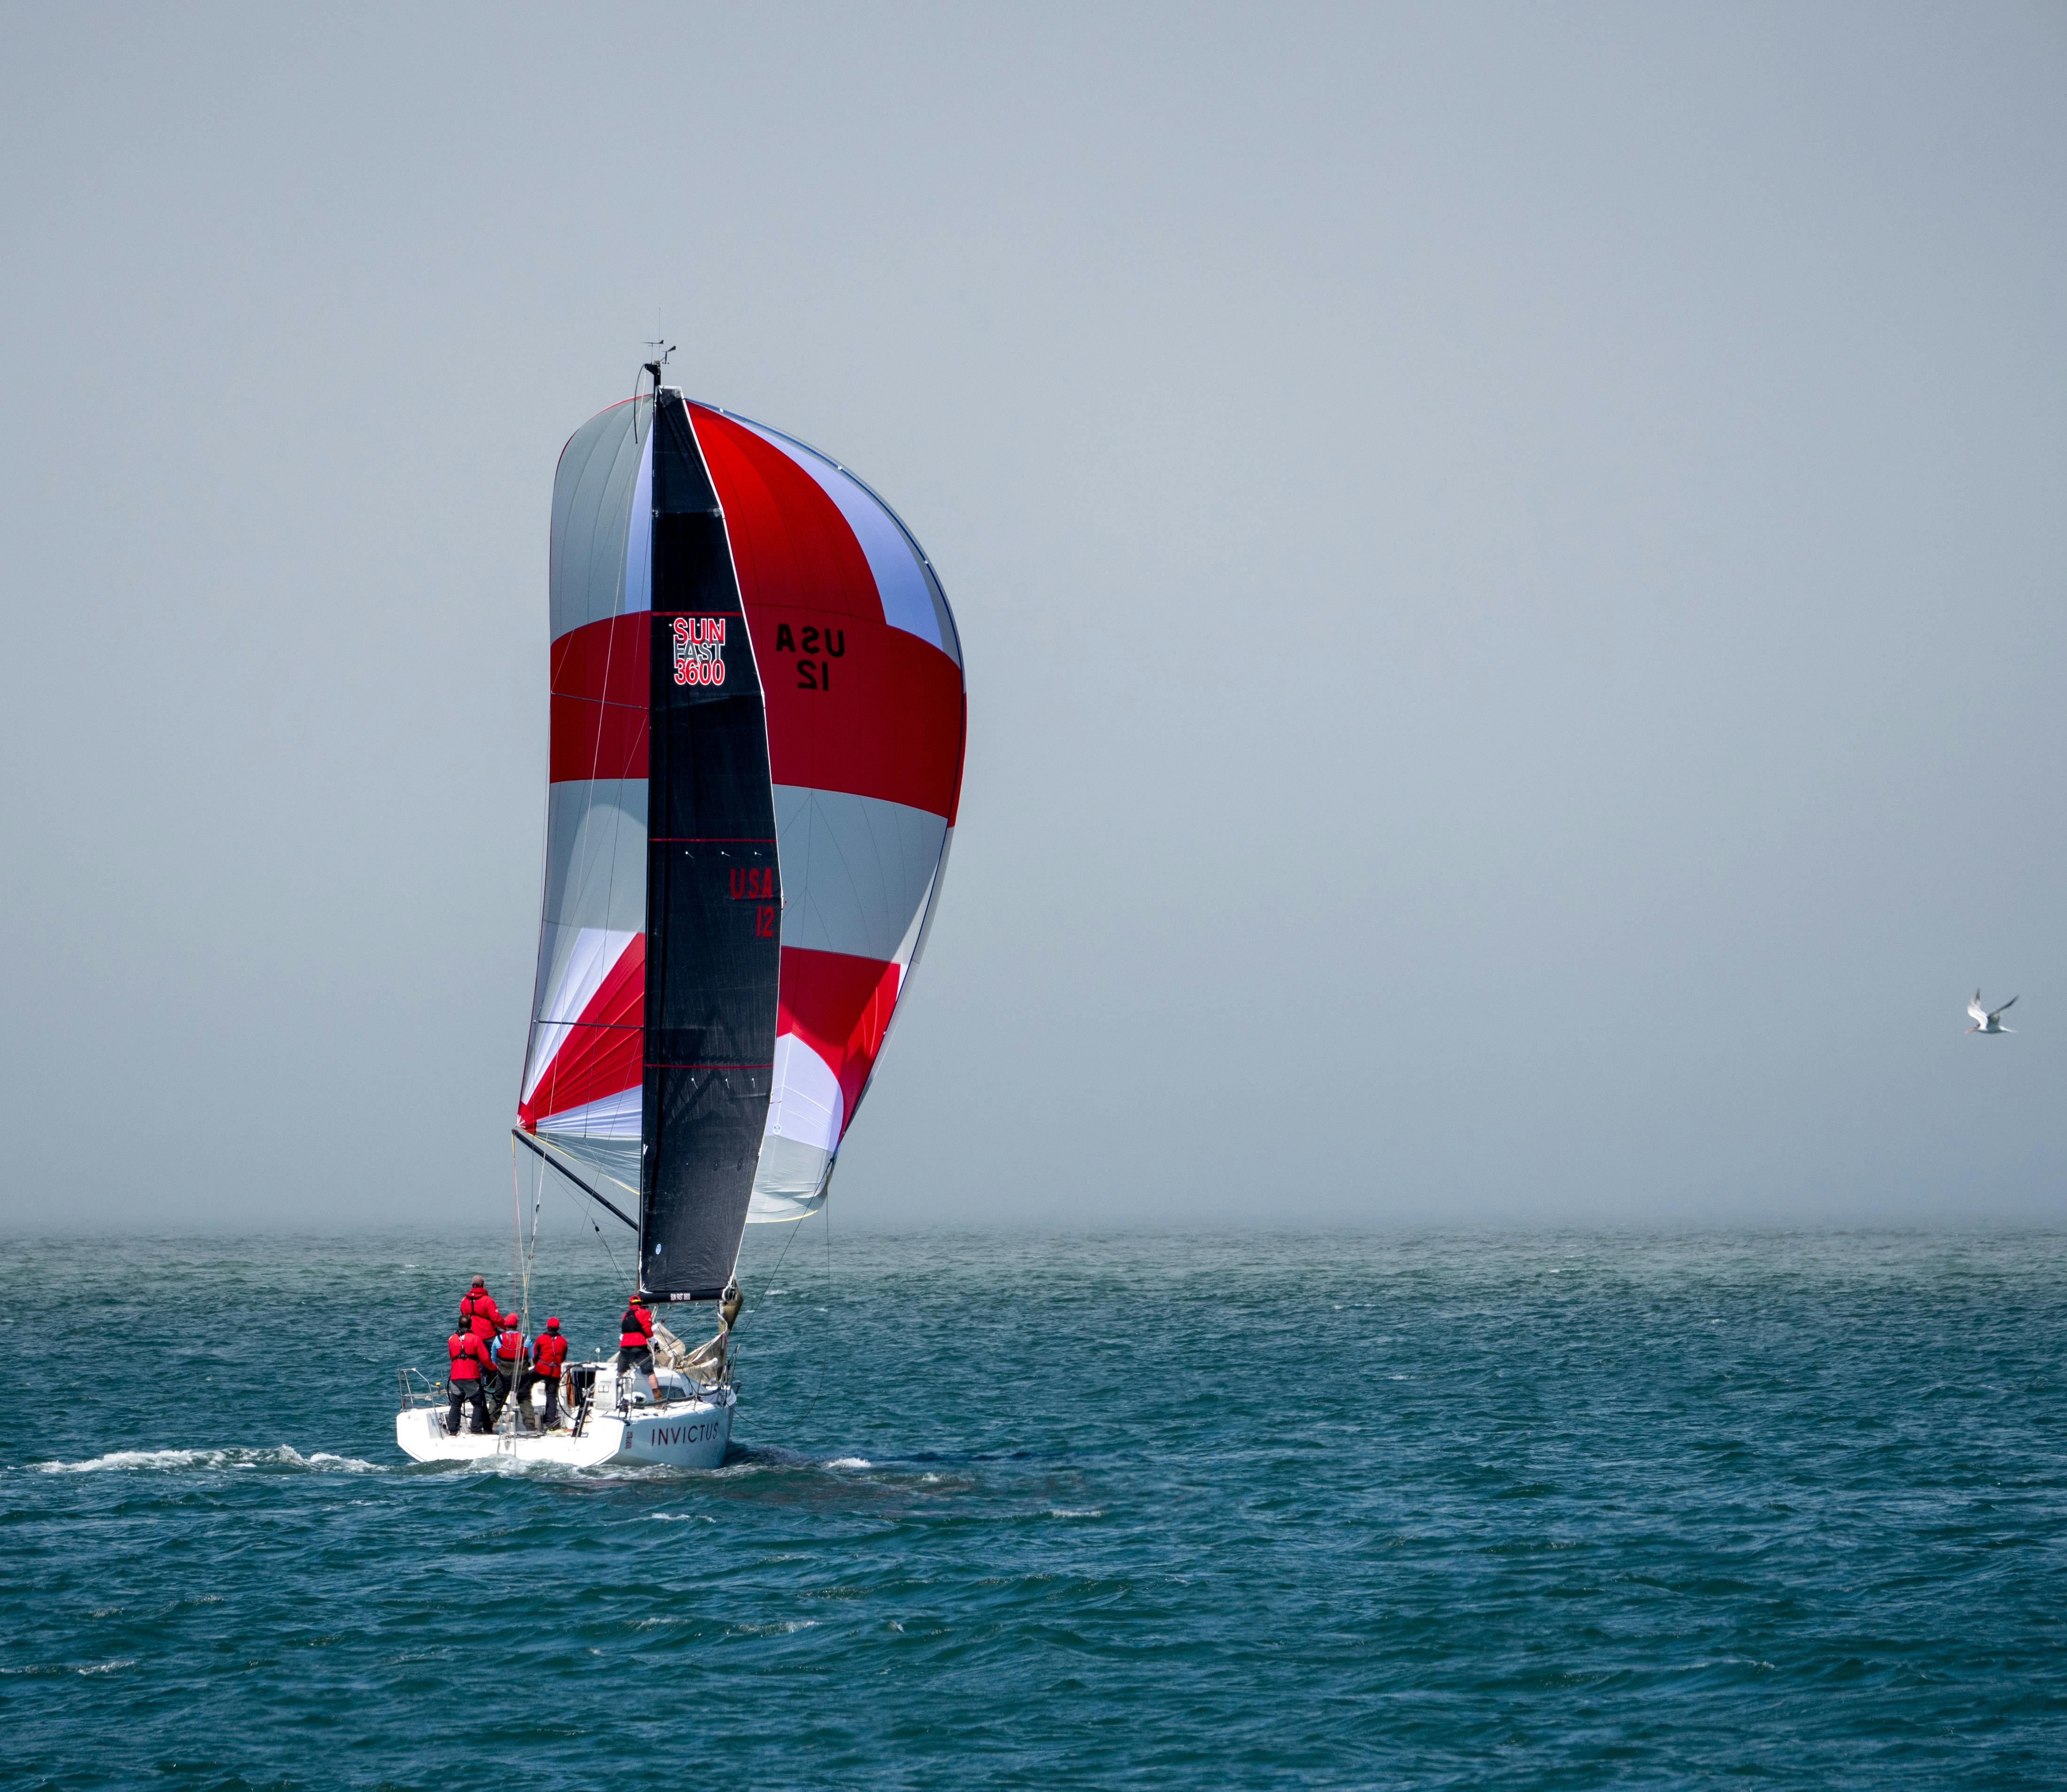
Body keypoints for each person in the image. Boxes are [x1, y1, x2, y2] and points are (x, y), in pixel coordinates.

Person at [445, 1323, 491, 1435]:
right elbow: (485, 1358)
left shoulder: (451, 1339)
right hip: (471, 1377)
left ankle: (453, 1431)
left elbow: (452, 1356)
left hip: (455, 1377)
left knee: (456, 1404)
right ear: (470, 1326)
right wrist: (493, 1368)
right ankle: (476, 1429)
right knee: (478, 1404)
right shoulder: (476, 1339)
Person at [525, 1317, 568, 1428]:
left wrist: (538, 1363)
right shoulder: (563, 1341)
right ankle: (550, 1422)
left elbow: (535, 1355)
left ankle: (525, 1401)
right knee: (552, 1397)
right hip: (555, 1372)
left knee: (527, 1379)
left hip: (541, 1369)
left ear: (548, 1326)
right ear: (558, 1327)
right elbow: (563, 1358)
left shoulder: (541, 1339)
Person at [486, 1314, 528, 1426]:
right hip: (520, 1372)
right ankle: (530, 1425)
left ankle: (490, 1423)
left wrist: (497, 1366)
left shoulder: (499, 1339)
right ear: (516, 1325)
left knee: (498, 1398)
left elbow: (494, 1357)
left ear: (506, 1325)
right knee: (525, 1399)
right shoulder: (524, 1338)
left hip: (504, 1373)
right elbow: (530, 1355)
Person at [616, 1293, 656, 1405]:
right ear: (641, 1304)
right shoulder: (645, 1312)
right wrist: (654, 1342)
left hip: (625, 1347)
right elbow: (647, 1330)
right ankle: (659, 1401)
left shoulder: (626, 1315)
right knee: (650, 1373)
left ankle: (616, 1398)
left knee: (620, 1372)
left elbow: (624, 1331)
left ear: (630, 1304)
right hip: (639, 1346)